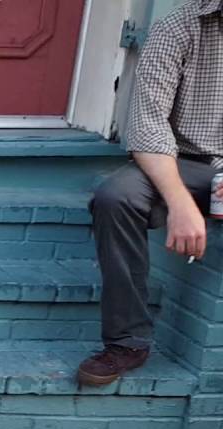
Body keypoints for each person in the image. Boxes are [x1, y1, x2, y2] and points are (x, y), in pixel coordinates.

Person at [83, 0, 222, 386]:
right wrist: (180, 204)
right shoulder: (180, 25)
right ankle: (128, 341)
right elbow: (147, 126)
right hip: (179, 160)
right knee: (116, 196)